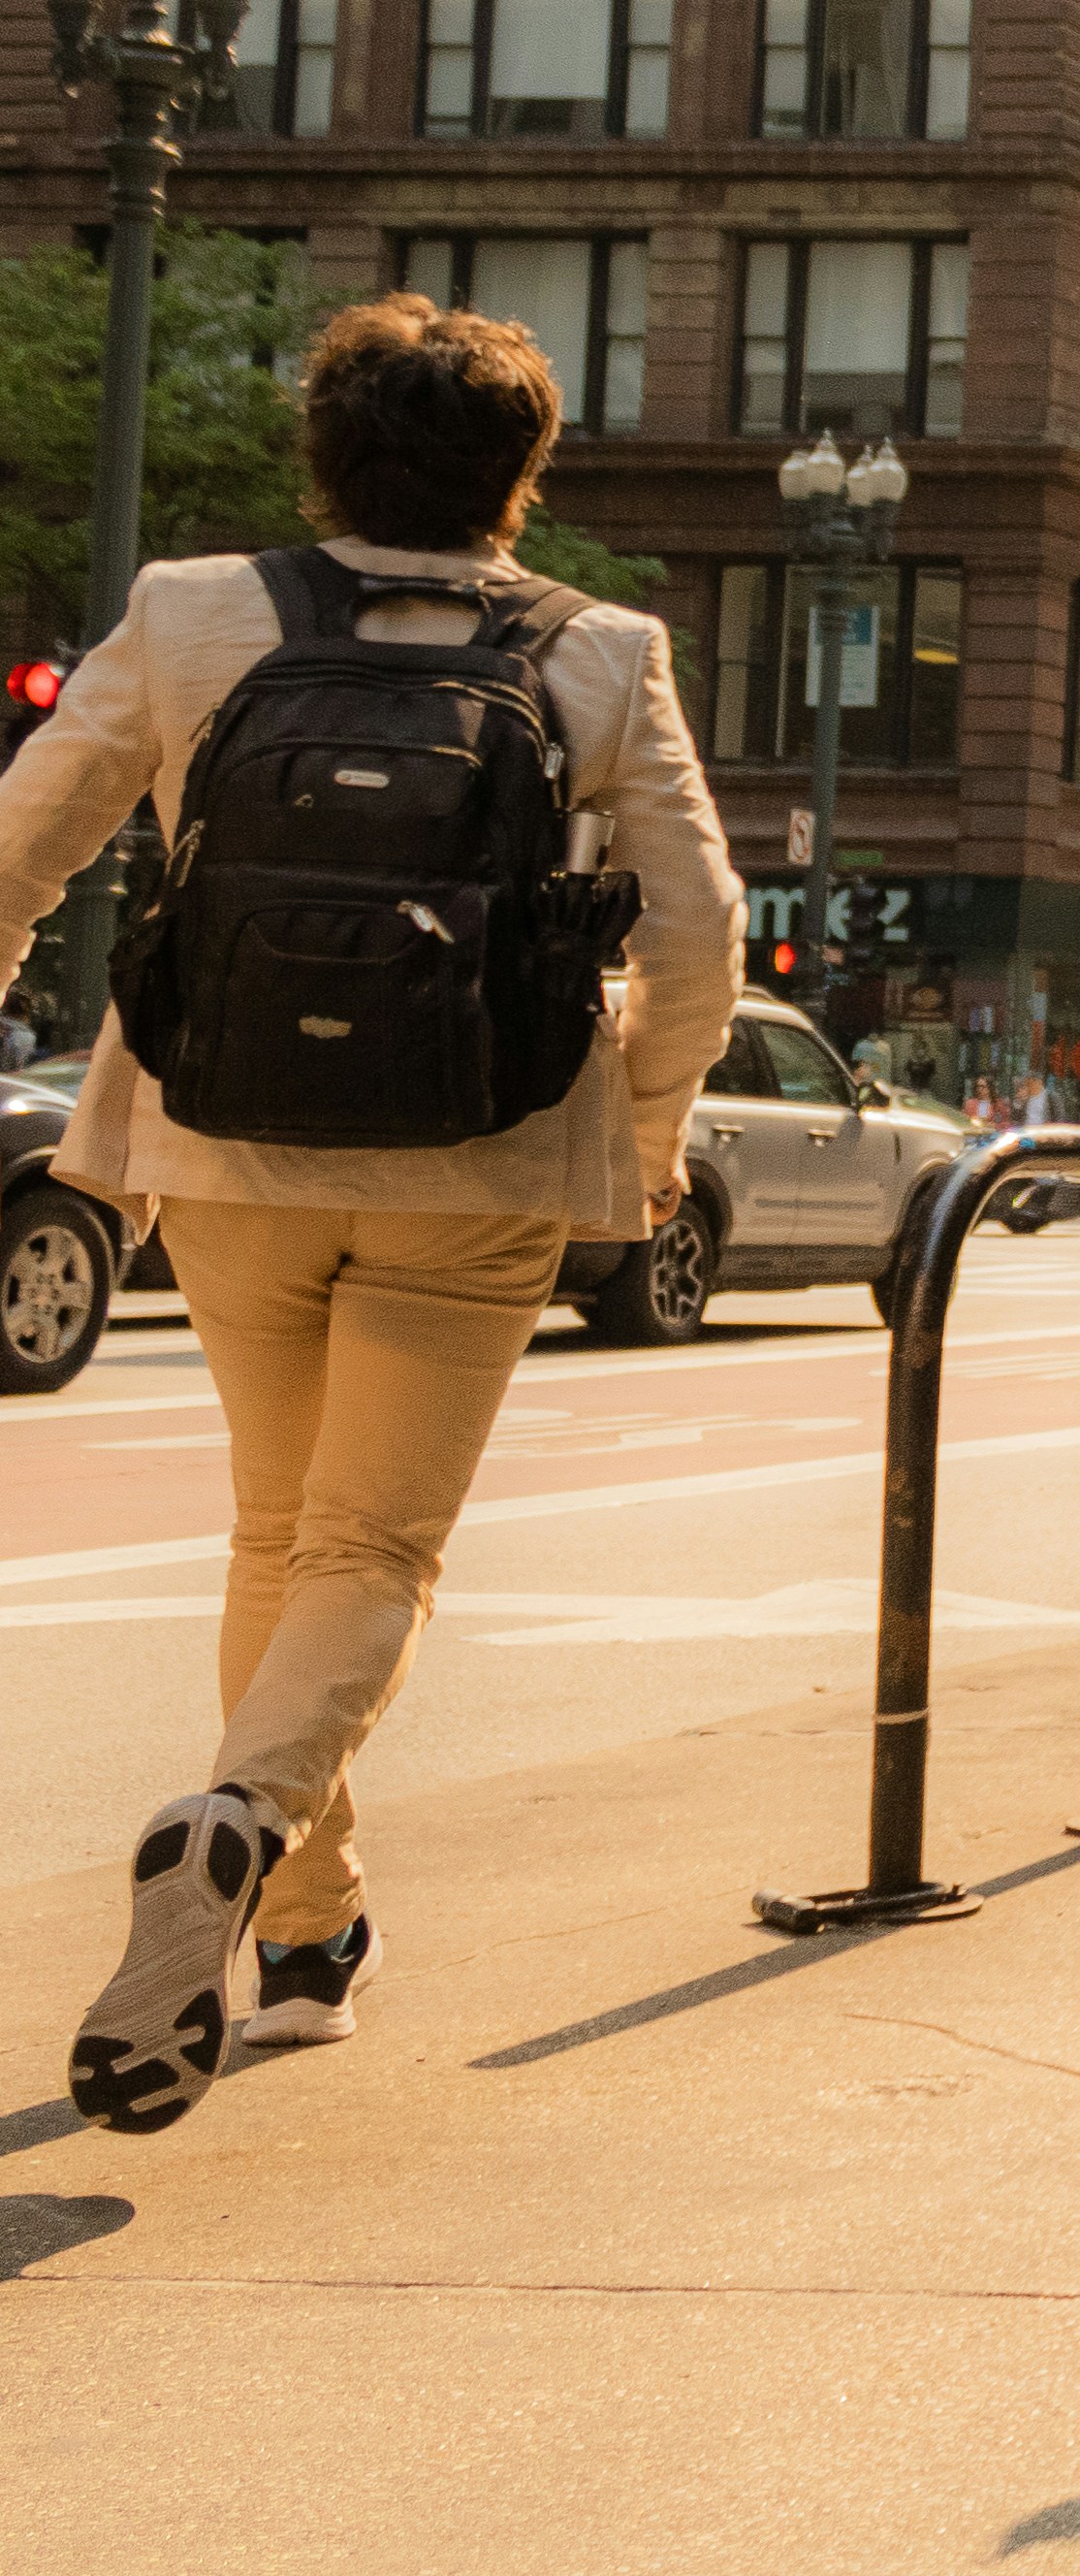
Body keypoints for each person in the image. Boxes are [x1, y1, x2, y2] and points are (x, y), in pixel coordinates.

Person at [1, 296, 741, 2129]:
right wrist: (644, 1144)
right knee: (373, 1548)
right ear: (521, 475)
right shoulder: (599, 647)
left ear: (320, 454)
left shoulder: (189, 609)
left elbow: (25, 835)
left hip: (226, 1139)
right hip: (480, 1159)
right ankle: (252, 1835)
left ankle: (308, 1926)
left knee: (281, 1527)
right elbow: (703, 927)